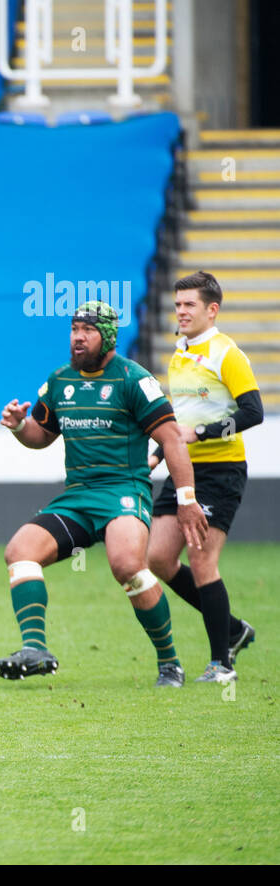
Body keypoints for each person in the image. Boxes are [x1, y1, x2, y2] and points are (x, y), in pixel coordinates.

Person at [0, 301, 209, 687]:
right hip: (78, 496)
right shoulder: (60, 381)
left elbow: (173, 441)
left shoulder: (133, 380)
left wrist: (187, 499)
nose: (78, 337)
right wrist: (19, 425)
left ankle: (169, 662)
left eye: (88, 330)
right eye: (75, 329)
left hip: (124, 492)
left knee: (127, 564)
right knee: (19, 552)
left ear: (108, 337)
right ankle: (35, 649)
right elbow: (41, 436)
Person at [145, 272, 261, 684]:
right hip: (184, 469)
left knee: (201, 559)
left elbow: (253, 412)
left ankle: (221, 664)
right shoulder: (179, 354)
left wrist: (205, 433)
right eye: (177, 305)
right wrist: (160, 453)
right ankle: (232, 628)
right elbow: (181, 420)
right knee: (157, 556)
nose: (181, 311)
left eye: (189, 305)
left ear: (212, 310)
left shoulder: (226, 353)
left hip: (222, 470)